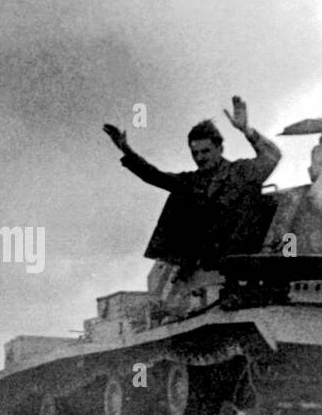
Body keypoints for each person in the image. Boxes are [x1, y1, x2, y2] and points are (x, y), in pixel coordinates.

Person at [103, 96, 281, 305]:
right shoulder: (190, 182)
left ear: (220, 148)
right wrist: (126, 150)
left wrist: (246, 130)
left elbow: (272, 157)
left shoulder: (241, 172)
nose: (200, 158)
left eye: (205, 151)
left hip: (240, 260)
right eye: (194, 153)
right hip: (204, 265)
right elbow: (154, 176)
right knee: (177, 193)